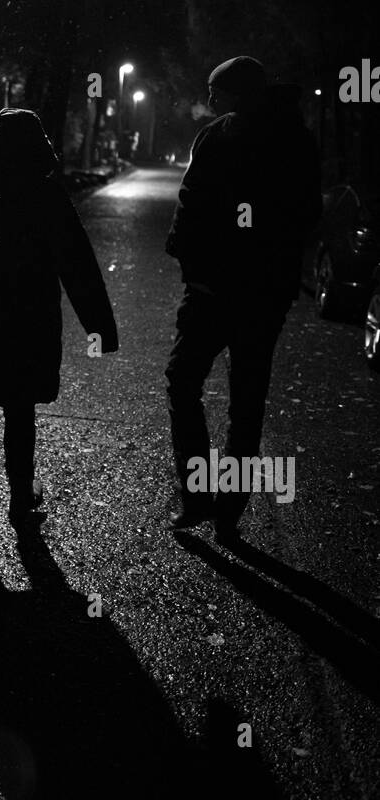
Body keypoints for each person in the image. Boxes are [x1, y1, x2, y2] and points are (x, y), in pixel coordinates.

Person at [0, 108, 118, 545]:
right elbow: (78, 268)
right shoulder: (47, 197)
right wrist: (99, 327)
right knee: (21, 416)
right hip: (28, 326)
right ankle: (20, 503)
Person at [164, 57, 322, 540]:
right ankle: (229, 513)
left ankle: (198, 498)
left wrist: (193, 263)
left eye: (215, 92)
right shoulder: (297, 139)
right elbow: (305, 215)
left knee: (183, 382)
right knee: (246, 402)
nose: (209, 101)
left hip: (214, 291)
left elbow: (192, 206)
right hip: (265, 295)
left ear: (232, 94)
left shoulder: (218, 138)